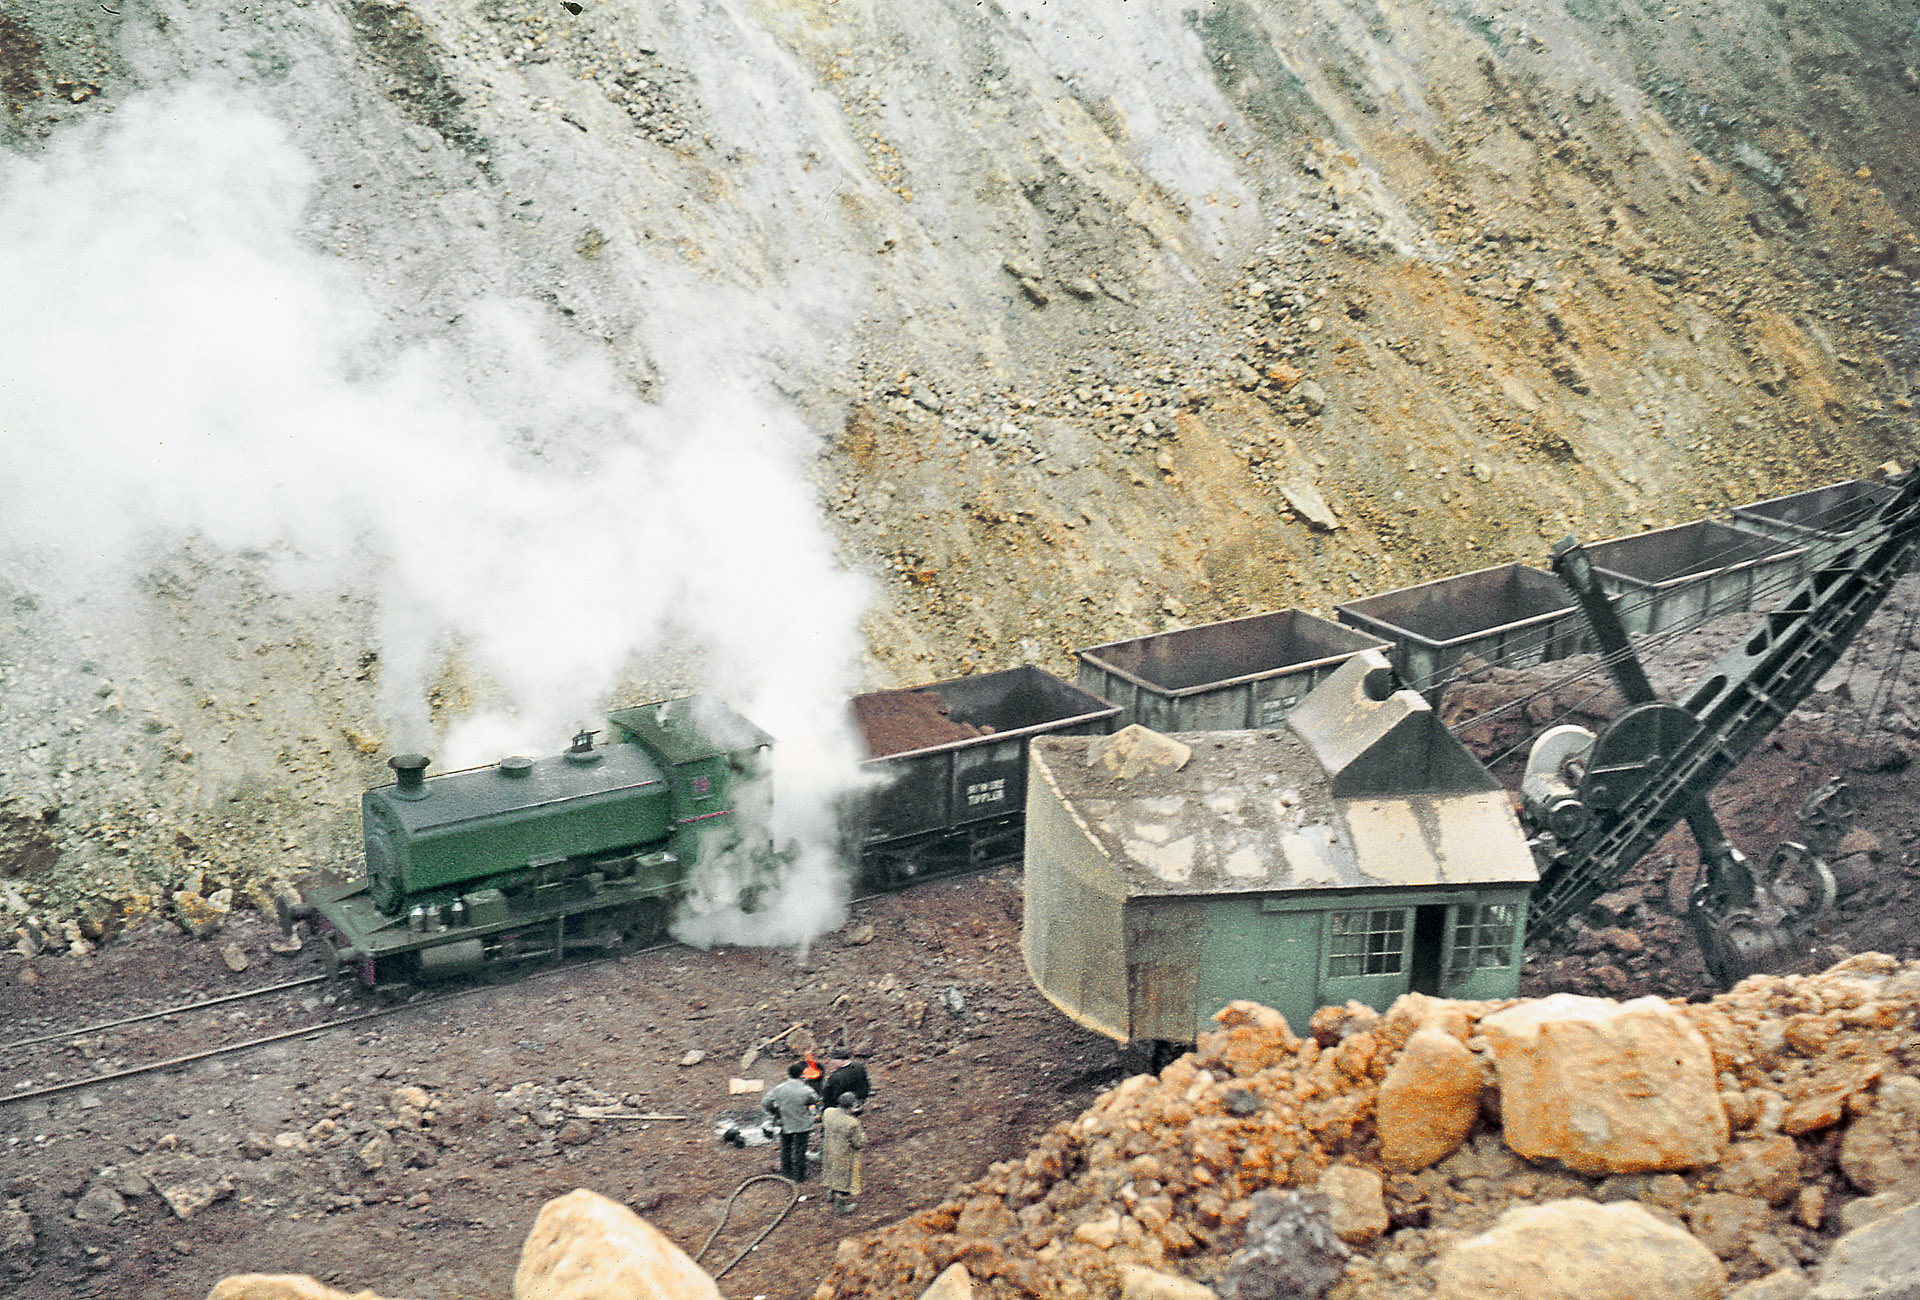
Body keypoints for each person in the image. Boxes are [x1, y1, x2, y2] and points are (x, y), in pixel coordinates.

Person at [761, 1061, 818, 1182]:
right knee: (800, 1149)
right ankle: (800, 1176)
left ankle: (786, 1172)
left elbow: (765, 1102)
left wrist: (776, 1112)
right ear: (801, 1075)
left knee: (785, 1148)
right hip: (802, 1124)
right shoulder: (806, 1090)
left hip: (785, 1122)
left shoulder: (779, 1089)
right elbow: (814, 1100)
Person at [820, 1092, 866, 1213]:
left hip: (829, 1149)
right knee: (844, 1179)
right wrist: (863, 1137)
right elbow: (858, 1143)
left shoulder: (828, 1112)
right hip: (843, 1153)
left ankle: (831, 1192)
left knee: (831, 1170)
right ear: (852, 1105)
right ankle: (841, 1205)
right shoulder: (852, 1123)